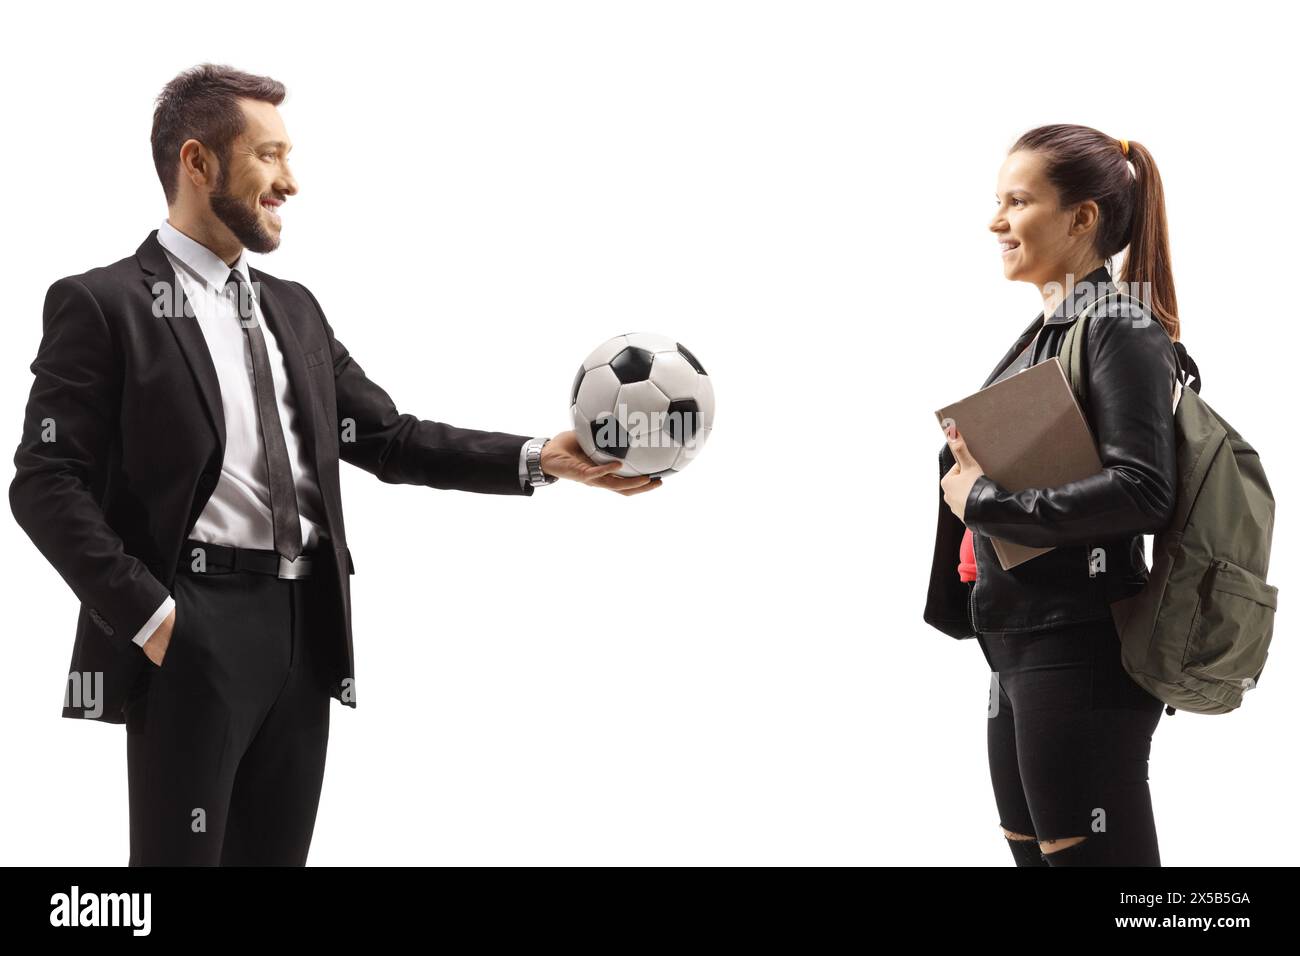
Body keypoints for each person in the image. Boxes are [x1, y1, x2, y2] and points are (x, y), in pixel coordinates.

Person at [9, 63, 662, 866]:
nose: (291, 182)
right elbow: (44, 480)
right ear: (197, 162)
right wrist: (152, 617)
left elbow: (386, 438)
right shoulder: (103, 304)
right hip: (191, 627)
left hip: (305, 633)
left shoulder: (294, 309)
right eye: (270, 156)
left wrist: (542, 459)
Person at [923, 124, 1190, 866]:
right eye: (996, 201)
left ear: (1083, 219)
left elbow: (1143, 491)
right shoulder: (1046, 333)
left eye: (1018, 201)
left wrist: (986, 503)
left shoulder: (1119, 327)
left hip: (1079, 651)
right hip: (1017, 647)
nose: (996, 221)